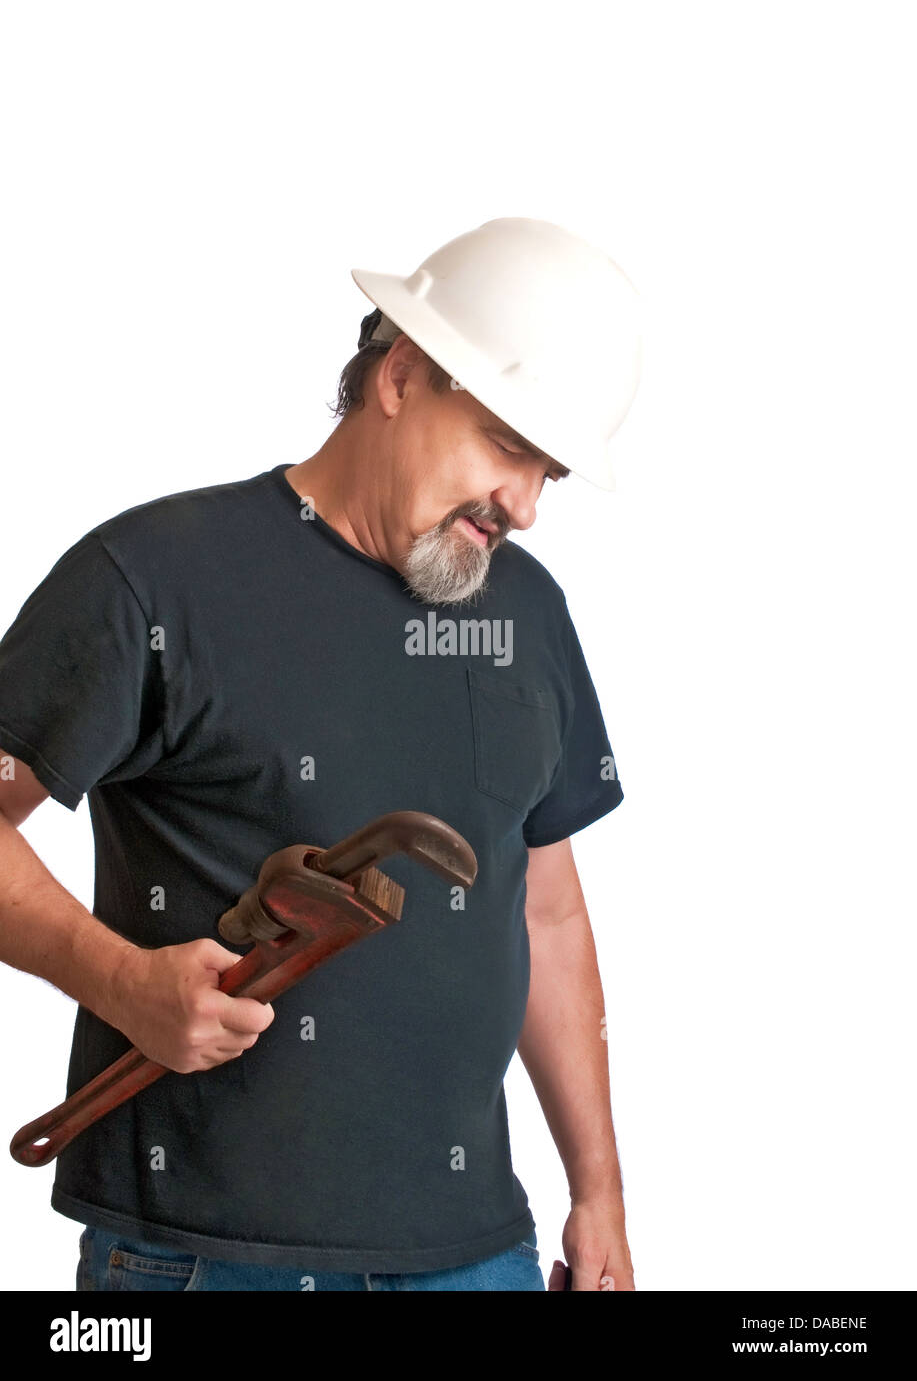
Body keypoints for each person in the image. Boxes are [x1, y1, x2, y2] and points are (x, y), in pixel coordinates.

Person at [0, 217, 642, 1291]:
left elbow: (546, 906)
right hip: (201, 1262)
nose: (525, 505)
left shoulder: (525, 614)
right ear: (398, 376)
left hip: (476, 1256)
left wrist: (599, 1189)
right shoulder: (154, 579)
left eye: (550, 472)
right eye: (504, 444)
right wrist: (120, 982)